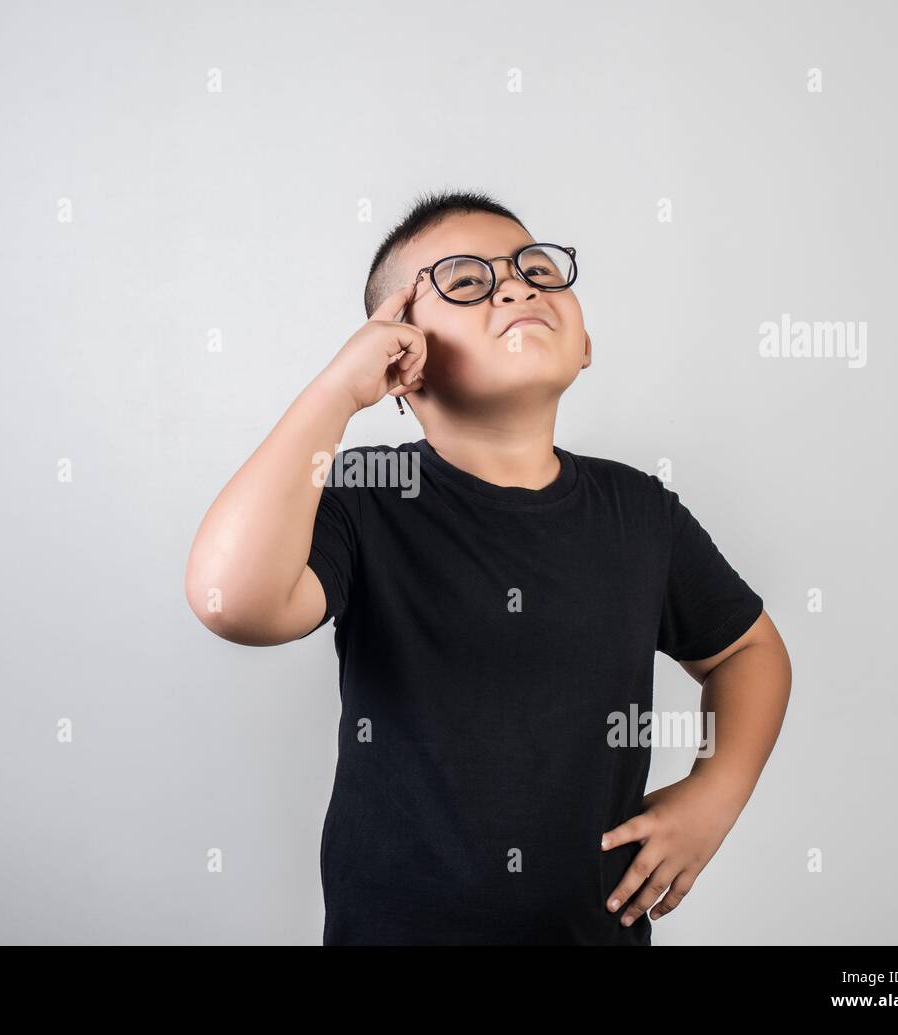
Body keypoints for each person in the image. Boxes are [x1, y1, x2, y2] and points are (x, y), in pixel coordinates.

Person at [184, 189, 792, 945]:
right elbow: (229, 599)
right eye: (466, 282)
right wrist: (337, 391)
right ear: (400, 357)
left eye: (536, 269)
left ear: (586, 343)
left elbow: (747, 650)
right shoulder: (368, 498)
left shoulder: (641, 512)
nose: (516, 284)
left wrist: (716, 791)